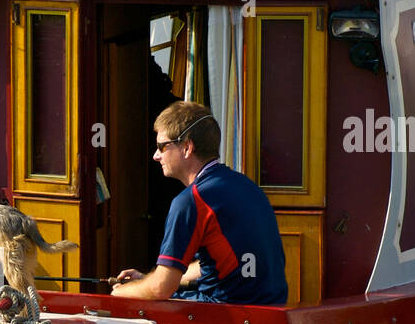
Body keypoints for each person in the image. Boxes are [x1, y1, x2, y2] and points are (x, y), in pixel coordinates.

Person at [111, 101, 287, 305]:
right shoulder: (248, 187)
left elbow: (161, 289)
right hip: (273, 310)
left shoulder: (191, 200)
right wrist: (147, 280)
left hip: (228, 314)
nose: (156, 155)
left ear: (187, 147)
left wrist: (122, 292)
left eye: (162, 146)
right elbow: (213, 263)